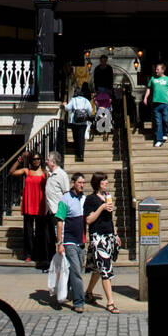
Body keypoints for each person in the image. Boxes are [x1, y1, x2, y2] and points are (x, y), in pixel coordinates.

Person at [84, 172, 121, 313]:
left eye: (107, 181)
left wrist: (115, 234)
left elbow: (110, 218)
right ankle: (110, 302)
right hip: (97, 236)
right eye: (104, 181)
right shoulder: (91, 199)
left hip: (108, 235)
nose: (106, 183)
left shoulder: (107, 197)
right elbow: (88, 220)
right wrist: (101, 207)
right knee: (105, 268)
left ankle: (88, 292)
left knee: (97, 269)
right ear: (98, 183)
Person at [54, 172, 89, 312]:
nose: (82, 185)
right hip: (69, 241)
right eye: (79, 182)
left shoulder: (84, 199)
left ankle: (65, 292)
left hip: (81, 240)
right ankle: (79, 301)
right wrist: (60, 243)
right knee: (76, 271)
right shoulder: (65, 199)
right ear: (73, 182)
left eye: (83, 183)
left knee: (75, 270)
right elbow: (60, 222)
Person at [10, 151, 48, 267]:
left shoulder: (45, 173)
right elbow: (12, 172)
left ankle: (39, 254)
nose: (36, 161)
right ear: (31, 161)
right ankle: (29, 253)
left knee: (40, 231)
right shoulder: (27, 171)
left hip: (40, 203)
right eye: (34, 159)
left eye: (38, 159)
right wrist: (19, 160)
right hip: (29, 203)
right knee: (28, 231)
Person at [144, 61, 168, 147]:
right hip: (155, 104)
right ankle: (159, 140)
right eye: (156, 69)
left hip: (166, 104)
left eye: (158, 69)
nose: (156, 71)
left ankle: (165, 132)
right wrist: (145, 97)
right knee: (158, 122)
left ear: (163, 70)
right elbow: (148, 89)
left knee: (166, 120)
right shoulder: (152, 78)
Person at [42, 152, 70, 270]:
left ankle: (60, 264)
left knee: (58, 238)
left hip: (57, 211)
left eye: (48, 159)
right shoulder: (50, 174)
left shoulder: (61, 174)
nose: (46, 161)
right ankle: (51, 263)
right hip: (49, 211)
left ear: (53, 162)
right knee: (49, 238)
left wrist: (63, 212)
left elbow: (66, 193)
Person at [66, 87, 93, 161]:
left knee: (75, 137)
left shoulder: (73, 100)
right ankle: (81, 155)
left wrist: (64, 105)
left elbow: (67, 108)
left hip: (74, 122)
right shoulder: (86, 100)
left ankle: (77, 152)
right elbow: (90, 111)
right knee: (81, 138)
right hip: (83, 122)